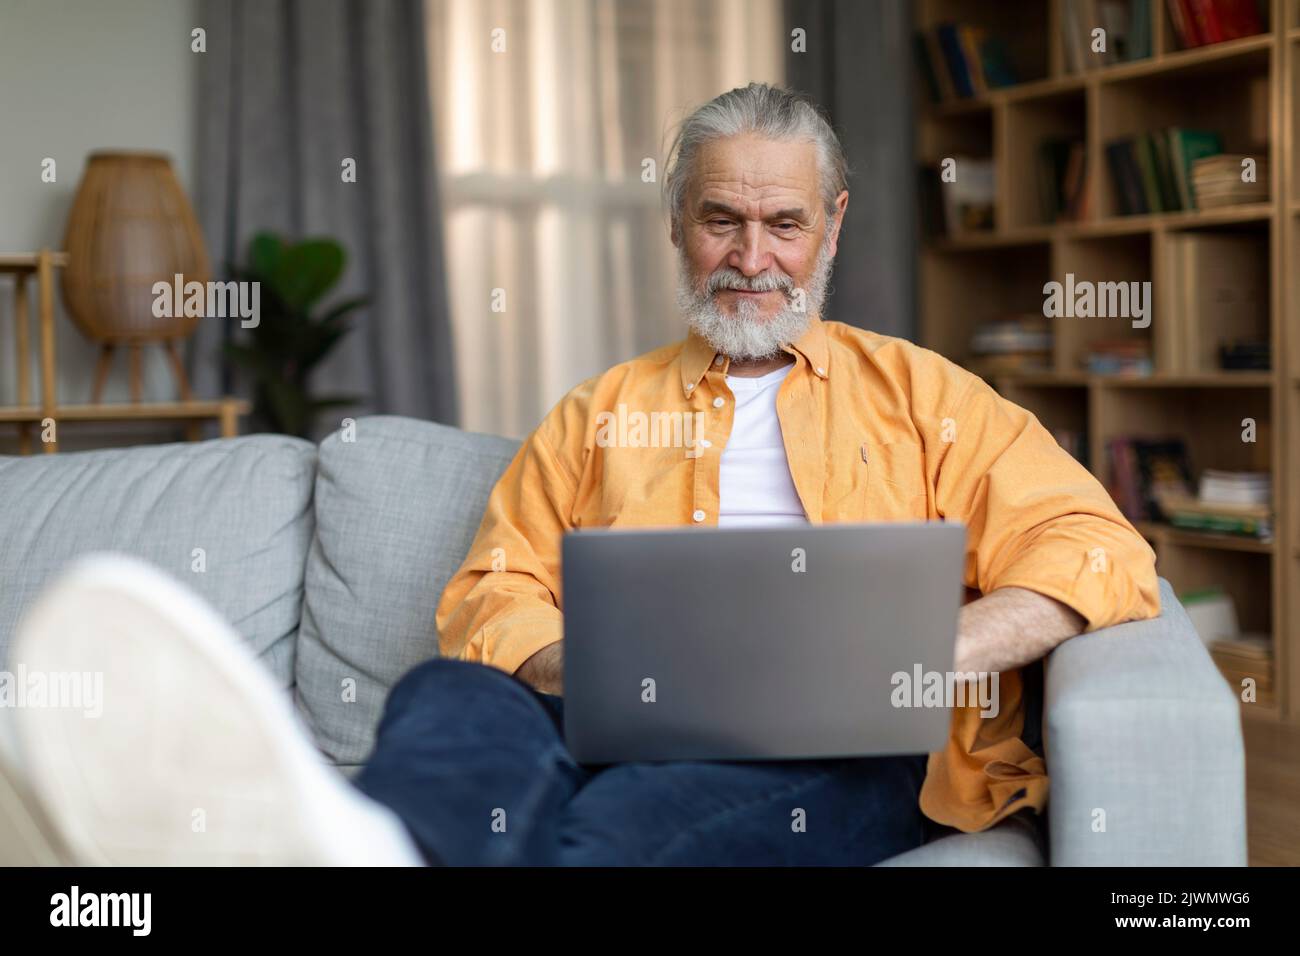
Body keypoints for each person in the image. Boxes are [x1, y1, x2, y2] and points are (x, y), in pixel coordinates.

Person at [0, 84, 1158, 866]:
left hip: (846, 739)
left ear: (833, 227)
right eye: (720, 219)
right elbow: (487, 596)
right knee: (446, 692)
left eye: (782, 223)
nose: (751, 256)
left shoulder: (924, 394)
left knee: (601, 837)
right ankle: (368, 842)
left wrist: (935, 651)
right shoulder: (600, 411)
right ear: (675, 225)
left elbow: (1099, 548)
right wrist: (585, 655)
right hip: (610, 706)